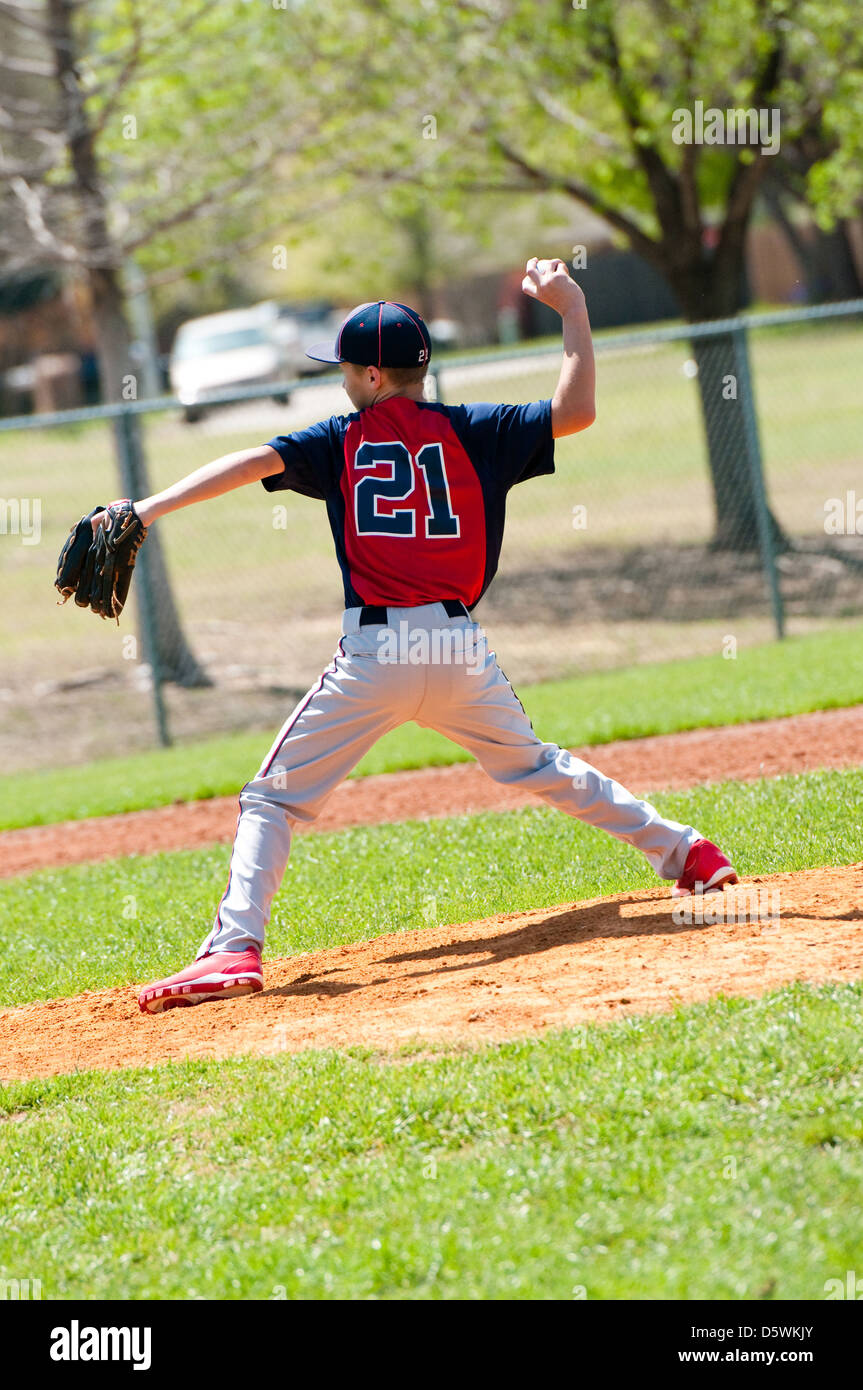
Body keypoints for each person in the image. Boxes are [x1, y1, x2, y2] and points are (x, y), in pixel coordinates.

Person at [133, 259, 737, 1014]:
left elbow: (252, 460)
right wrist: (572, 308)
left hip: (376, 654)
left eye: (349, 369)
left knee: (274, 800)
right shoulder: (476, 428)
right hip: (456, 650)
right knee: (535, 764)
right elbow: (574, 411)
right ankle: (687, 852)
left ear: (375, 378)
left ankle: (231, 950)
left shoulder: (339, 438)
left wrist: (145, 510)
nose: (343, 380)